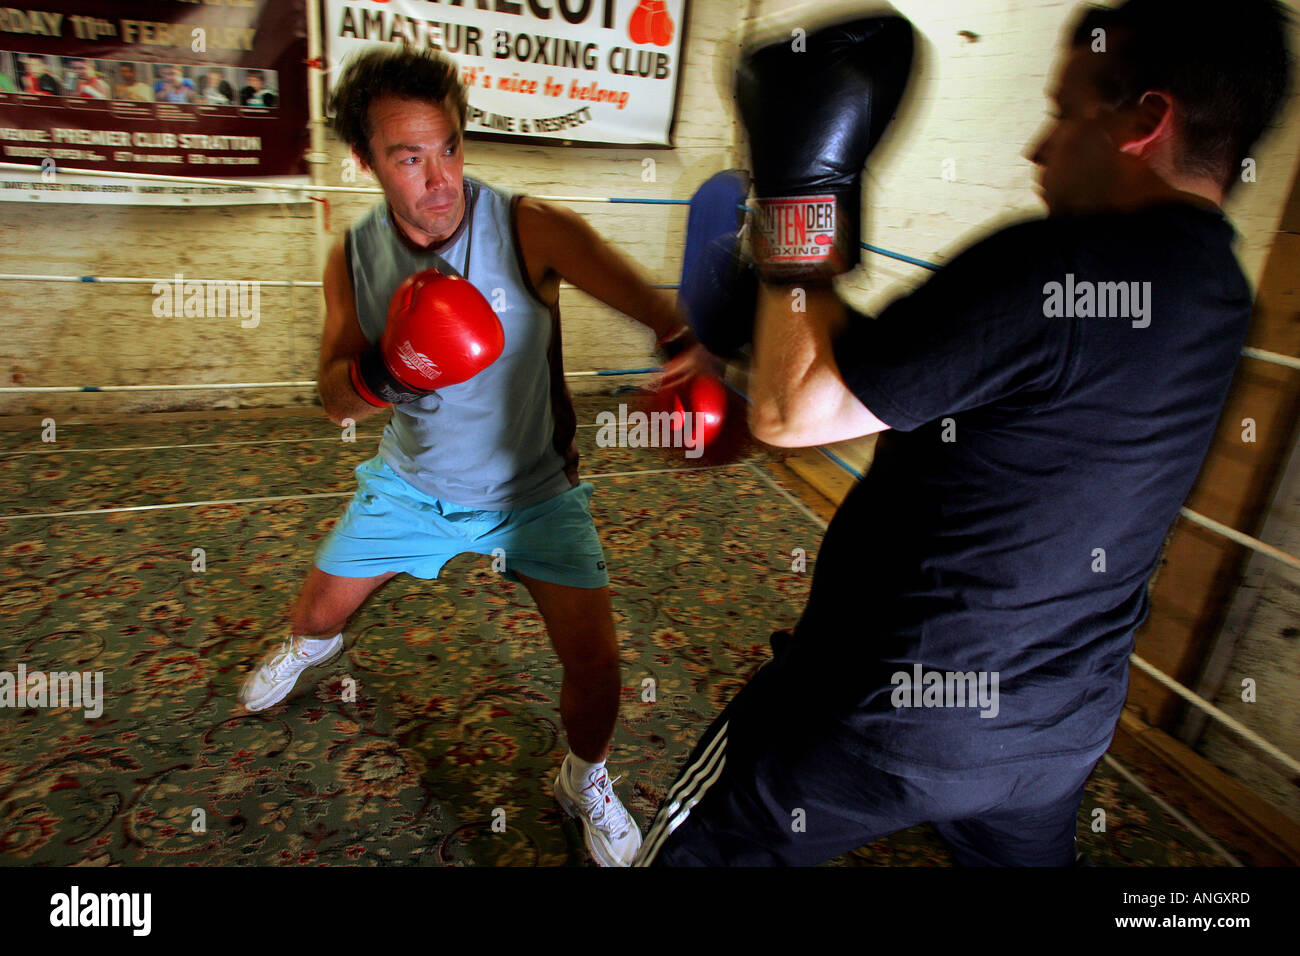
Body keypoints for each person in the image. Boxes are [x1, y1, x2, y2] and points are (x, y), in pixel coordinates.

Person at [637, 0, 1292, 866]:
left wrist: (799, 192)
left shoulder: (1056, 264)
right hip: (1055, 732)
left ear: (1147, 120)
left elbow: (797, 412)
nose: (1037, 148)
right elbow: (984, 387)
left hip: (886, 718)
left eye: (1065, 113)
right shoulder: (1219, 293)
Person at [238, 45, 712, 867]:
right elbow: (332, 399)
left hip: (535, 493)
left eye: (449, 147)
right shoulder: (352, 258)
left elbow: (632, 288)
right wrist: (393, 364)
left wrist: (677, 340)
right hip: (411, 487)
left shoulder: (526, 226)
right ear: (366, 162)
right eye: (409, 157)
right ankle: (308, 651)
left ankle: (584, 779)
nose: (440, 178)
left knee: (597, 664)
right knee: (315, 614)